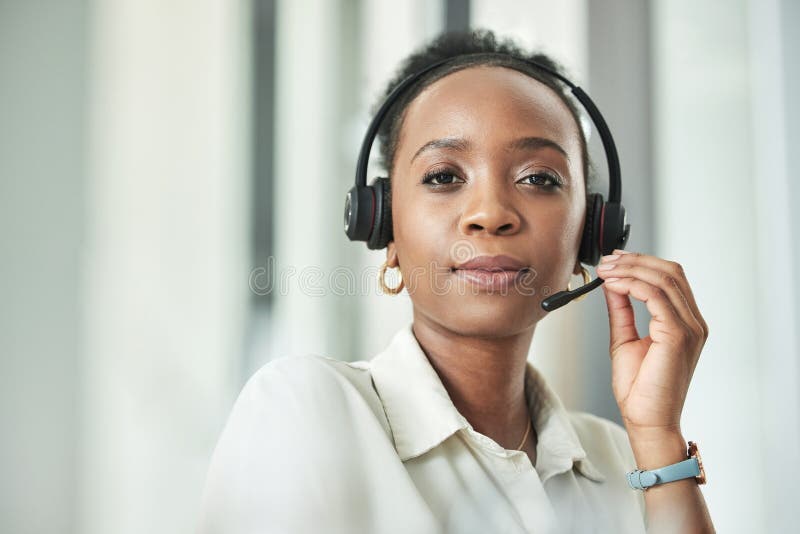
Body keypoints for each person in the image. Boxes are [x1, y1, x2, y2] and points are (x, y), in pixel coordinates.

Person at [199, 30, 715, 534]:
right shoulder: (305, 408)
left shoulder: (625, 457)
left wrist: (658, 437)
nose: (490, 215)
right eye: (444, 176)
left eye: (539, 178)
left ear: (591, 232)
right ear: (385, 227)